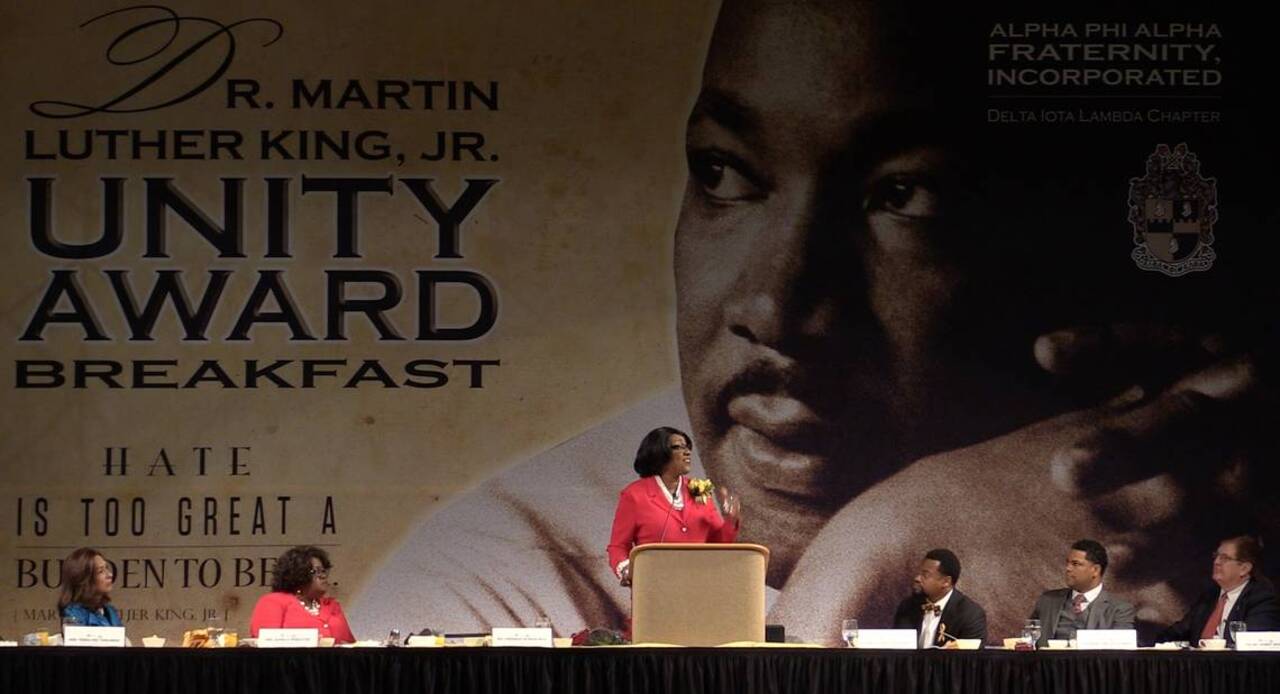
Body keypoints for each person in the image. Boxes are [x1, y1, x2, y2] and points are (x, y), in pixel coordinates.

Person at [354, 0, 1275, 643]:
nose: (777, 308)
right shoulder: (496, 587)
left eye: (907, 194)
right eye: (724, 172)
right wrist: (860, 577)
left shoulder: (1230, 503)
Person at [607, 427, 741, 586]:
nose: (687, 452)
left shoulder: (700, 490)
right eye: (678, 447)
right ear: (658, 452)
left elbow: (717, 544)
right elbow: (618, 546)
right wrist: (627, 570)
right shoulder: (635, 494)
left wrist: (731, 520)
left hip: (700, 585)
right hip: (655, 587)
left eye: (687, 447)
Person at [1157, 535, 1280, 645]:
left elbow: (1252, 644)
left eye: (1224, 558)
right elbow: (1178, 632)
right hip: (1200, 662)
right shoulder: (1209, 596)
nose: (1216, 562)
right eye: (1216, 556)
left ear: (1244, 568)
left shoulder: (1261, 599)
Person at [1028, 539, 1135, 647]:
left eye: (1075, 564)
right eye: (1067, 563)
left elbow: (1121, 651)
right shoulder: (1047, 600)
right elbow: (1029, 639)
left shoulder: (1119, 609)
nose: (1068, 568)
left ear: (1095, 570)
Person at [250, 545, 355, 643]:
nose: (323, 576)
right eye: (316, 571)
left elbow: (350, 646)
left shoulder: (332, 605)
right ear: (298, 574)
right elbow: (265, 644)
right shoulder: (273, 601)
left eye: (323, 571)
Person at [892, 549, 986, 648]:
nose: (917, 578)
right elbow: (898, 650)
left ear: (946, 582)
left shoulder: (970, 615)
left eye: (925, 575)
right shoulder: (908, 606)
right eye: (919, 573)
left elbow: (971, 657)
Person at [57, 547, 122, 627]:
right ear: (85, 578)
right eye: (101, 571)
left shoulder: (111, 611)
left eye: (107, 568)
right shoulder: (73, 613)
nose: (110, 575)